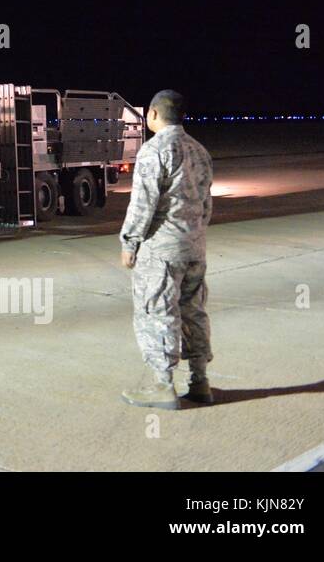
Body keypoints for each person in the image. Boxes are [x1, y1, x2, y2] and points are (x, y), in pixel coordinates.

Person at [119, 90, 215, 409]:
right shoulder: (199, 151)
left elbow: (143, 204)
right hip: (194, 247)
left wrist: (130, 242)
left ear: (154, 114)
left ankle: (163, 384)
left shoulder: (154, 150)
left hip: (162, 249)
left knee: (158, 311)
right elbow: (206, 203)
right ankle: (200, 382)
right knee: (193, 311)